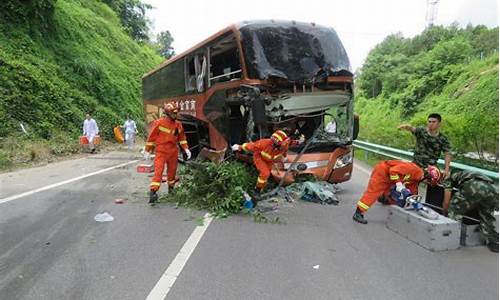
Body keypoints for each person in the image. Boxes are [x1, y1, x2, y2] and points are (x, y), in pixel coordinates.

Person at [353, 160, 432, 224]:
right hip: (382, 172)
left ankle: (383, 198)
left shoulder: (417, 178)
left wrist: (414, 202)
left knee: (392, 193)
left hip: (390, 178)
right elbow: (393, 170)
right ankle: (358, 213)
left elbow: (412, 189)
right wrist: (398, 183)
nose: (427, 184)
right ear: (427, 177)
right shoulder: (413, 169)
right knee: (373, 193)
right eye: (428, 182)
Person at [231, 130, 294, 206]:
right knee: (265, 173)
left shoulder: (284, 145)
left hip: (270, 160)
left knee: (266, 176)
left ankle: (260, 188)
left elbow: (285, 150)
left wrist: (285, 157)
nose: (281, 147)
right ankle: (256, 190)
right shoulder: (264, 143)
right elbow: (251, 146)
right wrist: (239, 147)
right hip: (259, 157)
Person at [145, 103, 191, 204]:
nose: (176, 115)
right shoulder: (159, 123)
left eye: (176, 113)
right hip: (161, 151)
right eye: (174, 113)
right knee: (159, 171)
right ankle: (153, 192)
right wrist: (147, 150)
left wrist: (186, 149)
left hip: (173, 151)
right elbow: (151, 137)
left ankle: (171, 189)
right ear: (168, 113)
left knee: (172, 172)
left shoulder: (178, 124)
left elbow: (182, 138)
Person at [442, 170, 499, 252]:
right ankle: (493, 242)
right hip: (491, 189)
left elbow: (446, 201)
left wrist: (444, 216)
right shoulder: (466, 173)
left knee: (455, 209)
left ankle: (451, 237)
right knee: (487, 216)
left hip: (473, 186)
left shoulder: (449, 178)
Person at [398, 113, 452, 178]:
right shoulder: (421, 131)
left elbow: (447, 153)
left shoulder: (442, 138)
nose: (431, 123)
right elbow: (413, 129)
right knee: (409, 184)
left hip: (431, 168)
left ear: (439, 124)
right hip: (416, 165)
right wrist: (406, 126)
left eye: (434, 122)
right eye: (429, 121)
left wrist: (446, 169)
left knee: (436, 184)